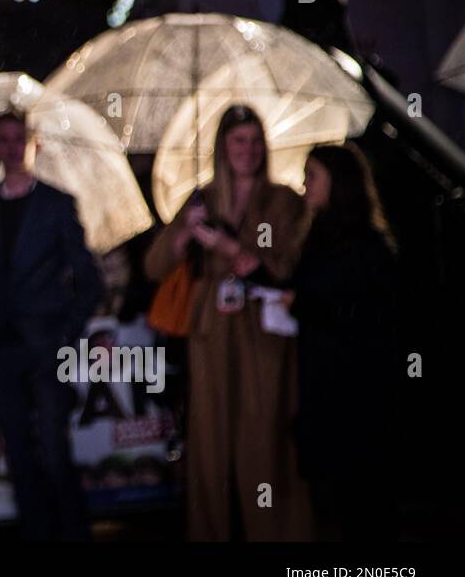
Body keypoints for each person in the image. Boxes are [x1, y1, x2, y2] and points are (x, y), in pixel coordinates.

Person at [144, 104, 313, 541]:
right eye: (239, 141)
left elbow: (287, 266)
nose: (248, 150)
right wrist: (186, 232)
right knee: (210, 443)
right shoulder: (201, 197)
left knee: (264, 440)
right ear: (223, 146)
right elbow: (154, 265)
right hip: (211, 332)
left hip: (263, 332)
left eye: (256, 141)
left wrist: (230, 246)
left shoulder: (284, 200)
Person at [0, 112, 102, 540]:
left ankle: (74, 532)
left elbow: (89, 279)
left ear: (32, 143)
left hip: (47, 345)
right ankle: (38, 532)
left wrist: (66, 333)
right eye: (3, 139)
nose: (11, 147)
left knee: (55, 449)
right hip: (1, 346)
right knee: (19, 450)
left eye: (18, 138)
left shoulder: (57, 204)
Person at [287, 143, 398, 540]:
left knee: (363, 510)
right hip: (324, 400)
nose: (304, 185)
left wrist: (303, 306)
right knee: (334, 507)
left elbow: (366, 320)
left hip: (356, 406)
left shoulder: (367, 249)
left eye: (312, 175)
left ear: (338, 183)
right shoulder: (317, 240)